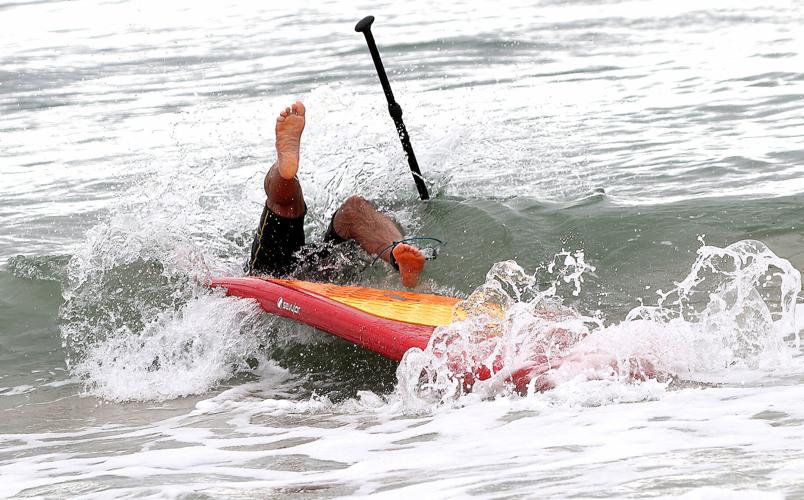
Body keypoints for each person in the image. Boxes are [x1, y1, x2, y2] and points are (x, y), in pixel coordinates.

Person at [247, 101, 426, 288]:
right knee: (298, 206)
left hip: (280, 270)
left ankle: (400, 258)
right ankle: (284, 172)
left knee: (352, 209)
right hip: (315, 273)